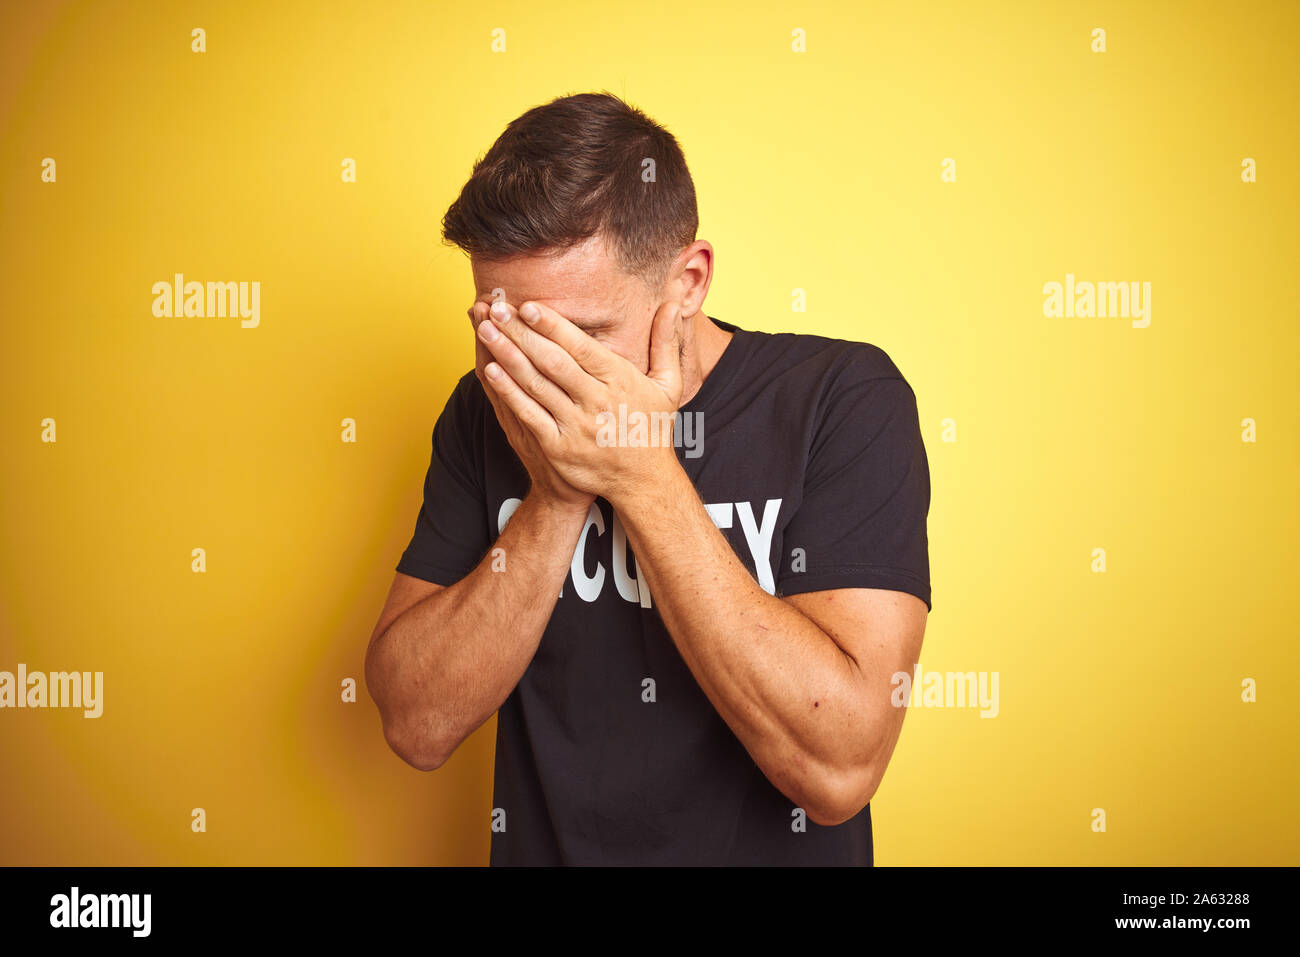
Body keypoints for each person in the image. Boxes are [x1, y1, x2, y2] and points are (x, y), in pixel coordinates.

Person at [365, 91, 931, 865]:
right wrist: (558, 493)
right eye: (507, 330)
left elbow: (838, 768)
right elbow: (416, 724)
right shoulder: (483, 408)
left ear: (688, 281)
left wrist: (639, 472)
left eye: (584, 335)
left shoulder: (842, 398)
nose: (542, 372)